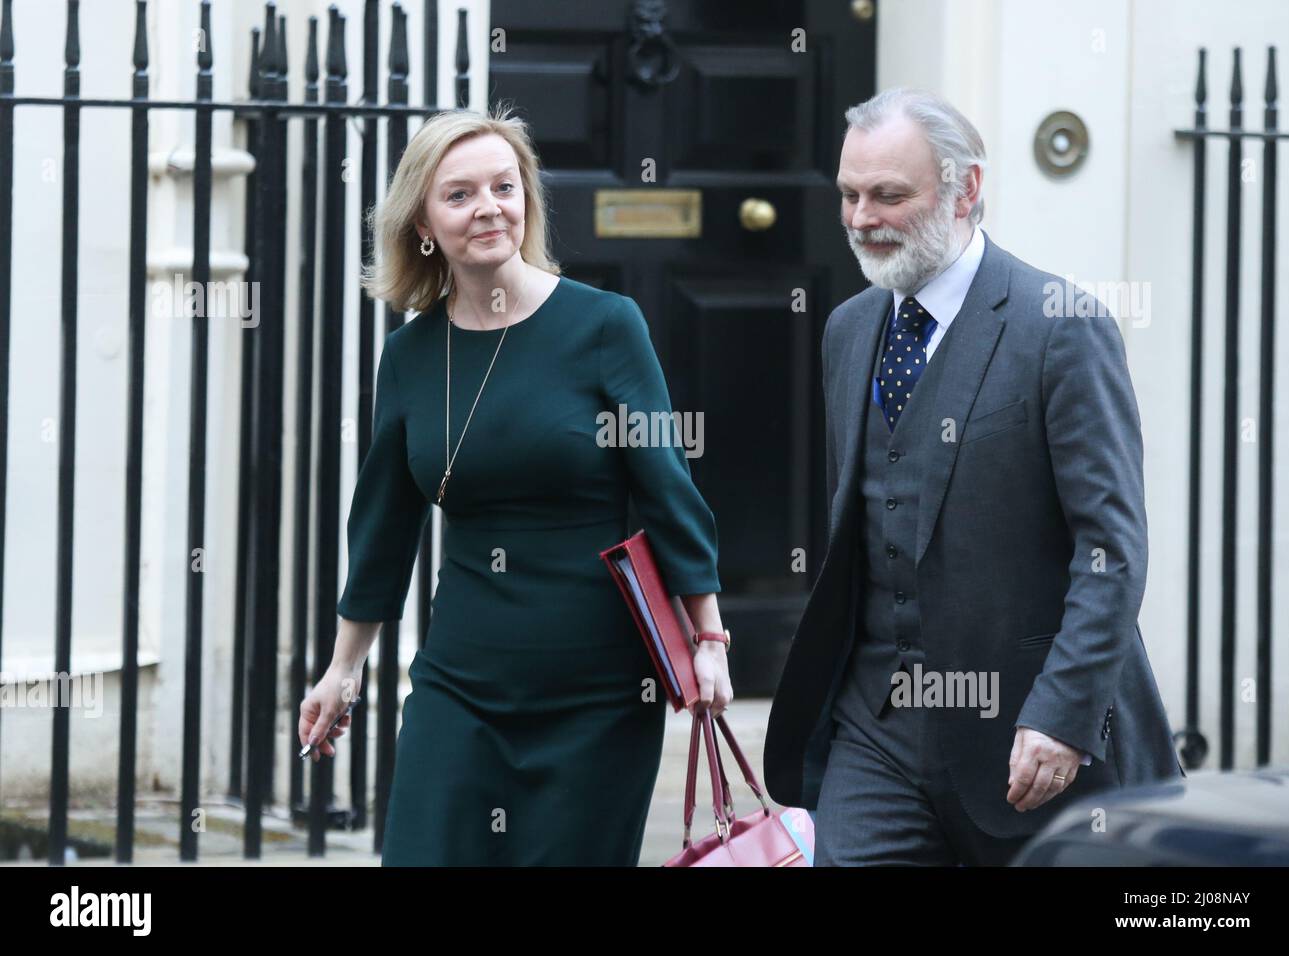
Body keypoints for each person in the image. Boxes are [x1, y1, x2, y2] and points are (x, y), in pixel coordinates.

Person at [298, 105, 733, 866]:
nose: (489, 207)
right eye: (460, 194)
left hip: (597, 691)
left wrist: (710, 640)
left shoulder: (606, 325)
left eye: (505, 186)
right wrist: (344, 667)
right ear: (424, 223)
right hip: (460, 682)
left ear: (526, 199)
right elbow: (383, 527)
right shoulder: (409, 355)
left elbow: (669, 490)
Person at [762, 87, 1185, 866]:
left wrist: (1062, 713)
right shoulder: (849, 330)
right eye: (850, 195)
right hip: (875, 726)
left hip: (1026, 729)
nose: (861, 218)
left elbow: (1111, 550)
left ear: (968, 190)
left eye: (889, 195)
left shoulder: (1061, 327)